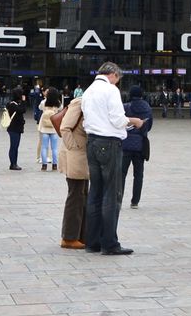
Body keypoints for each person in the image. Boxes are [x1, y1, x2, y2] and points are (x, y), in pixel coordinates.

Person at [81, 62, 144, 256]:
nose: (118, 83)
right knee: (112, 193)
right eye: (118, 79)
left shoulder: (88, 91)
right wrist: (133, 121)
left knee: (95, 193)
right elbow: (117, 119)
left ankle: (92, 241)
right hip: (109, 144)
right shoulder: (110, 90)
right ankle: (110, 243)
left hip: (91, 142)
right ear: (114, 75)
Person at [58, 92, 89, 249]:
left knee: (83, 195)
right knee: (75, 196)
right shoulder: (79, 103)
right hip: (75, 156)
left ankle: (82, 235)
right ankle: (69, 237)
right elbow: (65, 127)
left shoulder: (90, 103)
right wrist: (73, 147)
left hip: (82, 156)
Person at [121, 85, 153, 208]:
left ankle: (119, 199)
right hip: (140, 145)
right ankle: (135, 201)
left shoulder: (125, 107)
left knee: (121, 174)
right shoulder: (147, 108)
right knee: (138, 174)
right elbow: (149, 126)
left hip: (126, 144)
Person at [37, 90, 61, 171]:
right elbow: (61, 109)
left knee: (44, 147)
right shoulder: (57, 103)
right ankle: (54, 165)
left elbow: (39, 107)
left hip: (44, 127)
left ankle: (44, 165)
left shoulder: (44, 102)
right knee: (54, 148)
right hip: (54, 128)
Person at [5, 87, 26, 170]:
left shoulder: (14, 104)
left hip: (16, 128)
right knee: (14, 146)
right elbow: (22, 110)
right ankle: (13, 164)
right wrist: (24, 101)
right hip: (14, 128)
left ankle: (14, 163)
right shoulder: (12, 105)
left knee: (15, 146)